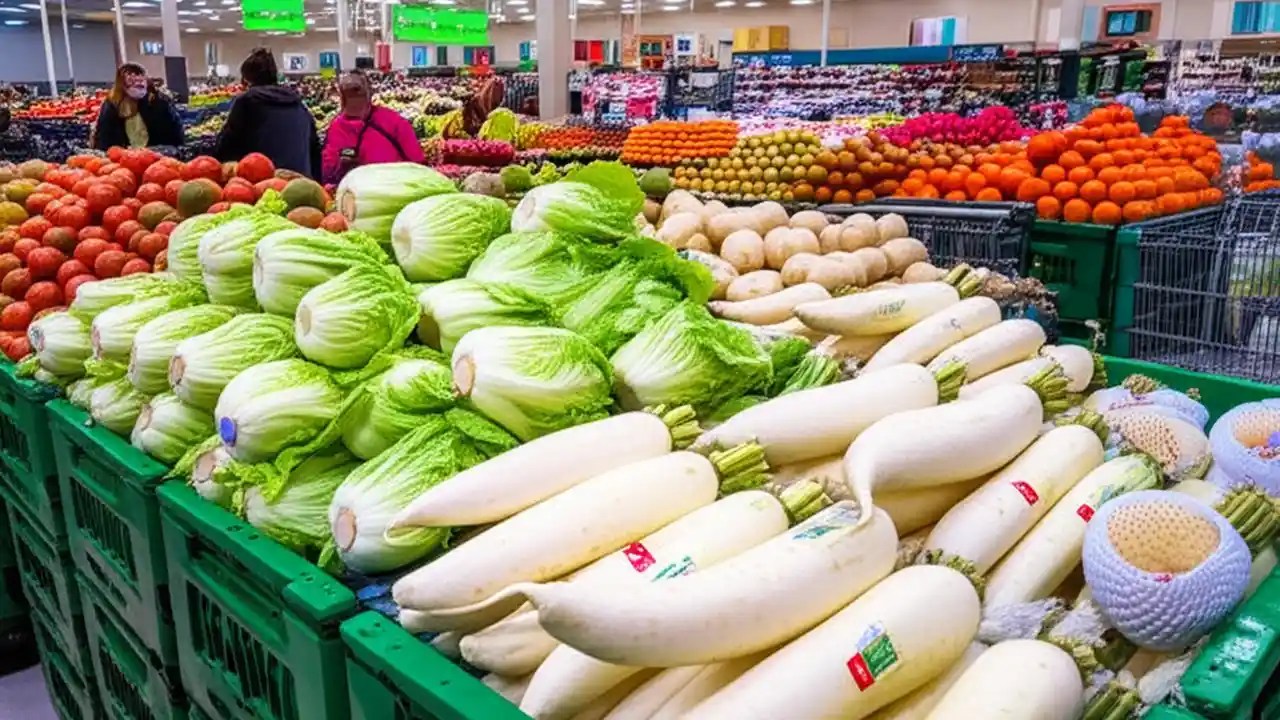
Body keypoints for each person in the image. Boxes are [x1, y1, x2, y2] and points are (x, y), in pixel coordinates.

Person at [214, 48, 321, 178]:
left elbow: (226, 146)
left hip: (264, 184)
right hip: (300, 183)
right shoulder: (298, 104)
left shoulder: (247, 102)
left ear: (246, 80)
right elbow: (315, 151)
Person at [321, 70, 424, 185]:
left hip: (394, 191)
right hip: (355, 194)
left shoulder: (393, 122)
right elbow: (327, 173)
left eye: (357, 94)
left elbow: (417, 162)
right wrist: (341, 167)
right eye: (351, 95)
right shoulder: (336, 129)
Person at [92, 63, 183, 150]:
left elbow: (174, 132)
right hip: (121, 157)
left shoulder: (158, 101)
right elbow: (104, 137)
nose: (137, 83)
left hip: (157, 156)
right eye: (131, 80)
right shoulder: (112, 105)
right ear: (121, 83)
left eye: (141, 79)